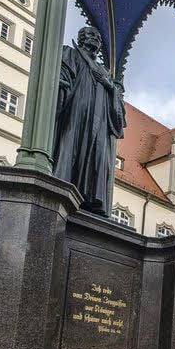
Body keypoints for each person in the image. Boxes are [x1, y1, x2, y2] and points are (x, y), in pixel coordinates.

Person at [53, 26, 125, 215]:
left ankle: (90, 199)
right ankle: (62, 190)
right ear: (81, 37)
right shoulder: (70, 53)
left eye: (99, 38)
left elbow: (118, 115)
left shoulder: (103, 70)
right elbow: (60, 78)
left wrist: (109, 85)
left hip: (99, 122)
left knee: (98, 157)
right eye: (91, 35)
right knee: (71, 149)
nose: (96, 39)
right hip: (76, 113)